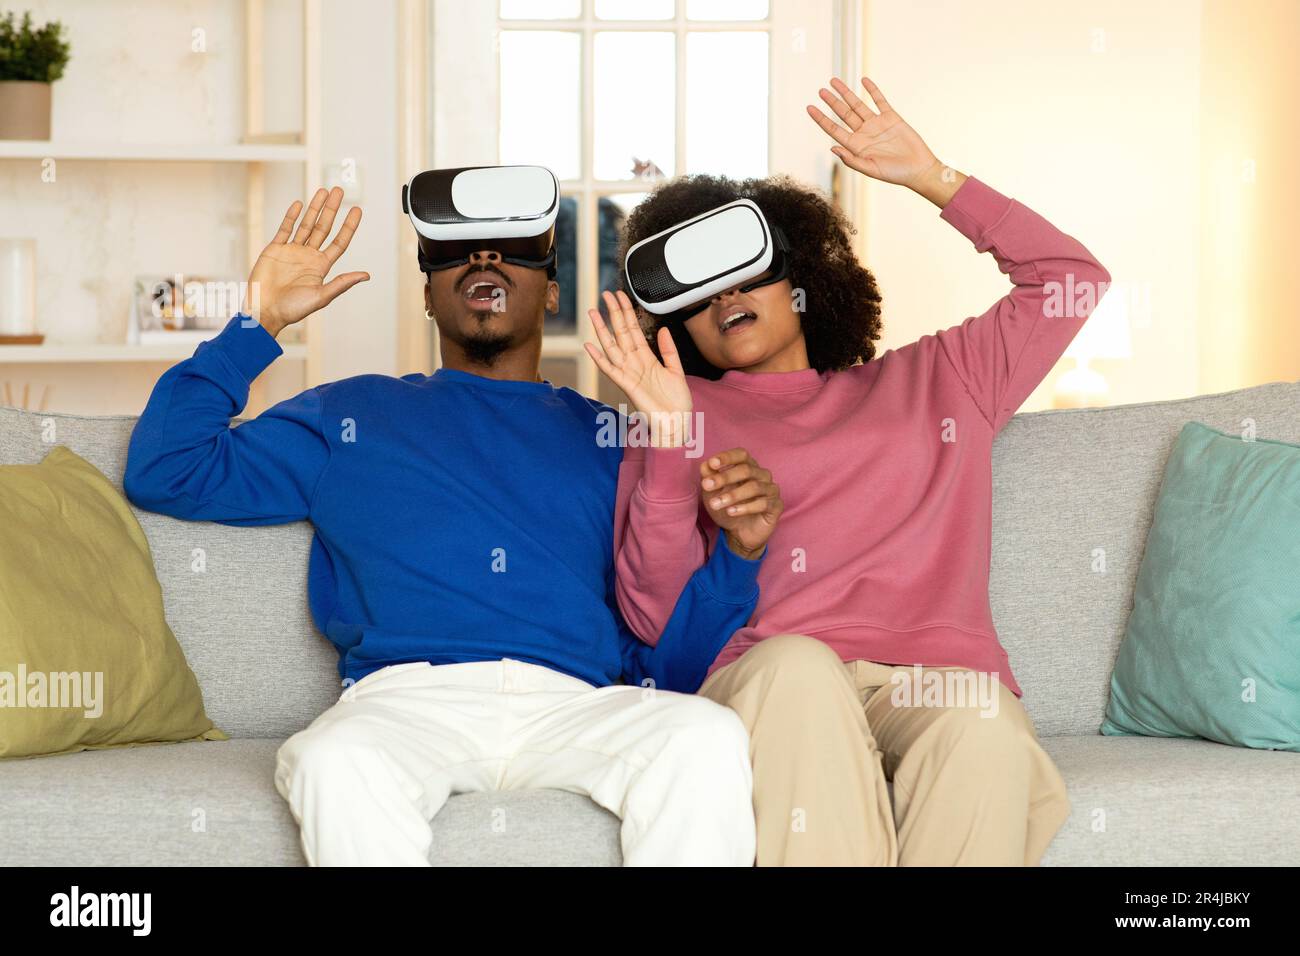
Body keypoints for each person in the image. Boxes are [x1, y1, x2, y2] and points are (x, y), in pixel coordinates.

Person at [124, 181, 776, 867]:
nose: (485, 257)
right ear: (429, 294)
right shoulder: (351, 414)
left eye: (516, 249)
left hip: (575, 704)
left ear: (551, 292)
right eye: (456, 250)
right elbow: (166, 467)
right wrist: (258, 322)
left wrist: (738, 555)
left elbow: (662, 666)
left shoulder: (617, 440)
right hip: (409, 701)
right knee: (332, 760)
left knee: (704, 735)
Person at [586, 76, 1111, 866]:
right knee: (800, 669)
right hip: (769, 682)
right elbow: (655, 623)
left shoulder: (940, 380)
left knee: (980, 722)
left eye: (746, 267)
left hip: (929, 683)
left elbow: (1071, 282)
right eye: (695, 292)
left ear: (801, 280)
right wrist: (669, 438)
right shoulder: (674, 412)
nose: (724, 294)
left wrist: (933, 178)